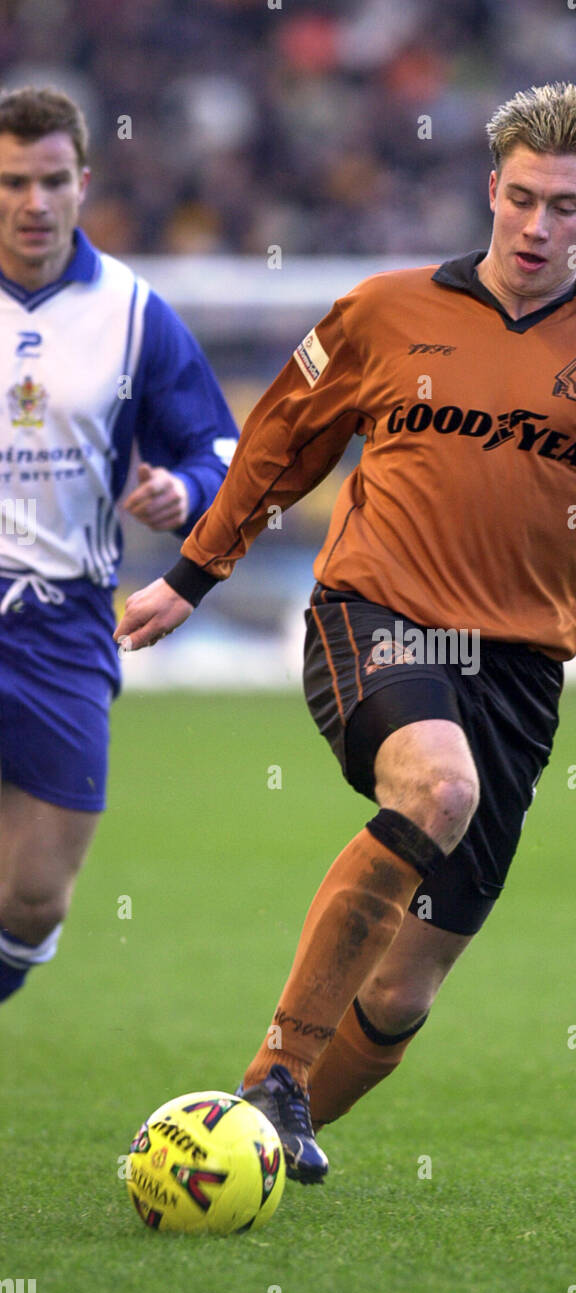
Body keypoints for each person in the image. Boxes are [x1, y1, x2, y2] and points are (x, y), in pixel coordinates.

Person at [115, 82, 576, 1186]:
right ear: (487, 188)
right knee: (435, 790)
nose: (536, 227)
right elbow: (280, 443)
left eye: (563, 206)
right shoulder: (381, 310)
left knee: (406, 989)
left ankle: (256, 1136)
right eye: (519, 199)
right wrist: (192, 572)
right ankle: (274, 1079)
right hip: (375, 616)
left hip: (517, 675)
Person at [0, 87, 238, 1003]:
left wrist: (184, 493)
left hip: (62, 626)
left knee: (31, 901)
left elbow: (218, 449)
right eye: (13, 180)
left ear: (82, 181)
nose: (34, 201)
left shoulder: (135, 314)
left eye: (52, 180)